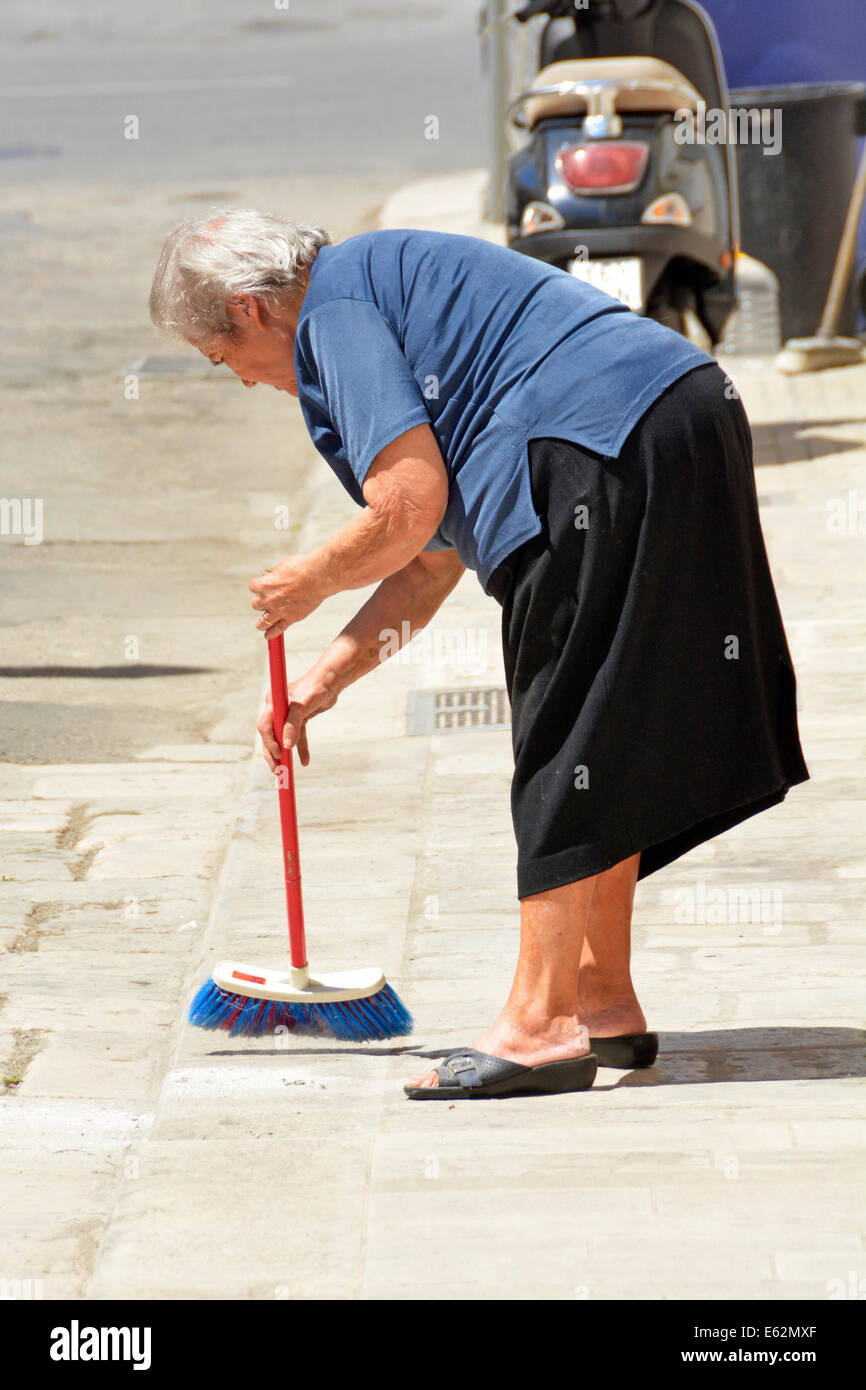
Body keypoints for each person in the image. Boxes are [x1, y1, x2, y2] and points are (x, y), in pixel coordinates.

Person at [150, 209, 809, 1100]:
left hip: (594, 449)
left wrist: (310, 578)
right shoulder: (384, 279)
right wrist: (325, 677)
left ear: (250, 310)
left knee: (562, 732)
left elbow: (407, 507)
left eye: (221, 360)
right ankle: (601, 997)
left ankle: (540, 1025)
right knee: (605, 727)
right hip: (681, 412)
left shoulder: (333, 316)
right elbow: (429, 564)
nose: (242, 383)